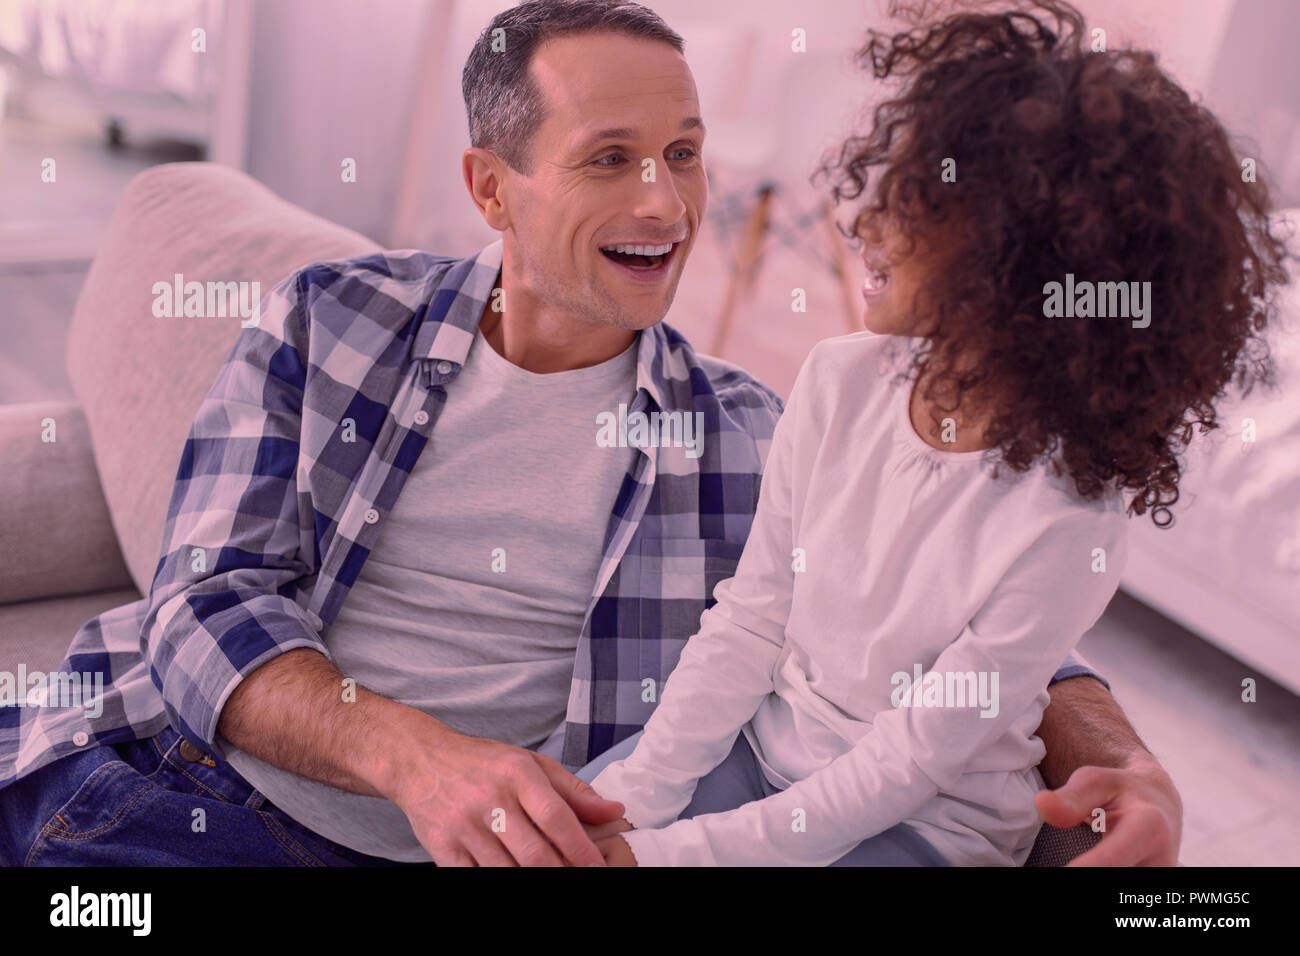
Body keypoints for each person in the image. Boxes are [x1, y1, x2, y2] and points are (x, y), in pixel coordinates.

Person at [0, 0, 1187, 867]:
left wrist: (1124, 758)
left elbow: (964, 615)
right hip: (174, 790)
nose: (663, 204)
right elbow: (204, 594)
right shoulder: (334, 320)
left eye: (681, 154)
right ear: (492, 187)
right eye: (609, 160)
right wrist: (417, 756)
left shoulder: (746, 429)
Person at [578, 0, 1292, 867]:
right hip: (760, 755)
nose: (862, 222)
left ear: (1017, 261)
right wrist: (635, 803)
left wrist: (664, 858)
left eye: (912, 202)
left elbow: (906, 763)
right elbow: (752, 621)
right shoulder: (839, 379)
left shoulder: (1072, 520)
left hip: (917, 825)